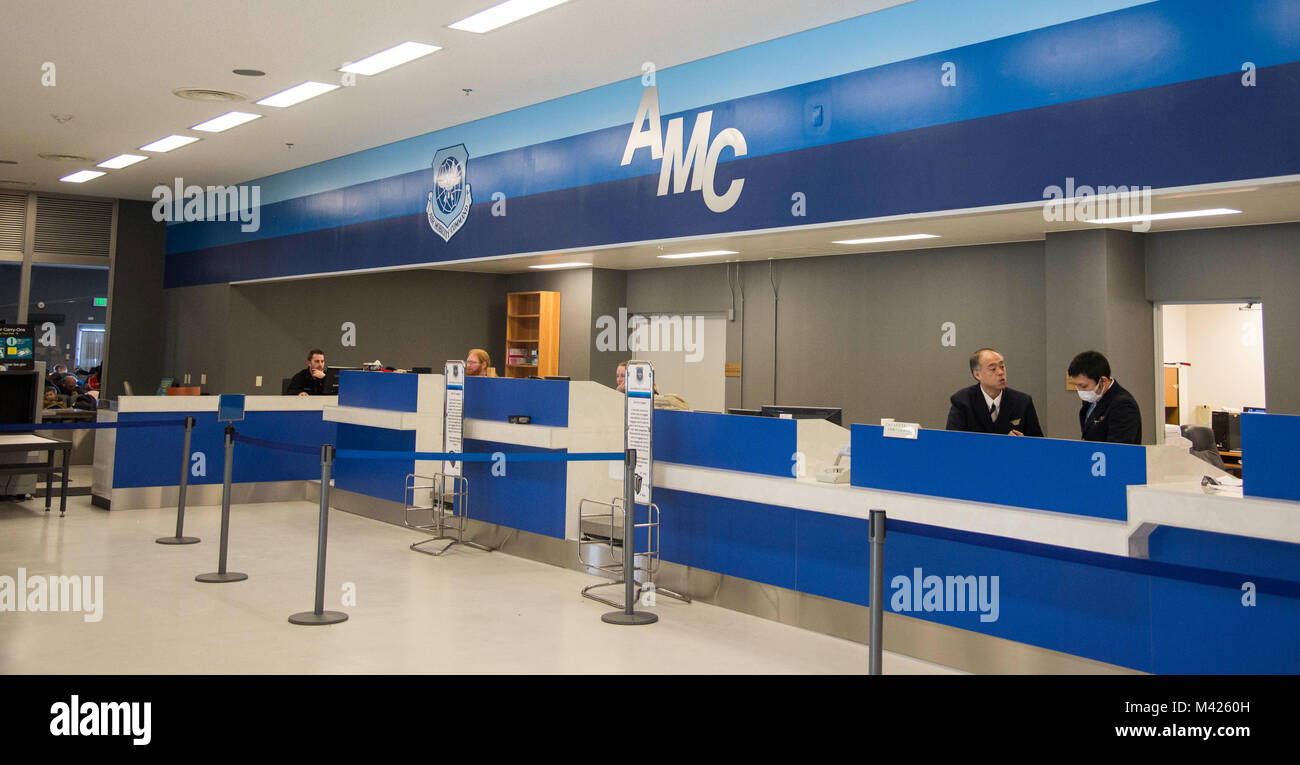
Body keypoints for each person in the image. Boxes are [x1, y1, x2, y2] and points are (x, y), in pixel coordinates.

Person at [945, 348, 1043, 437]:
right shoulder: (962, 401)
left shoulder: (1023, 402)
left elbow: (1039, 444)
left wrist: (1025, 442)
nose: (1000, 372)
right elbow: (953, 442)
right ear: (977, 374)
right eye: (993, 369)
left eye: (1002, 366)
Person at [1068, 350, 1141, 444]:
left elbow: (1119, 448)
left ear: (1103, 381)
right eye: (1076, 385)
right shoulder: (1091, 398)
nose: (1079, 390)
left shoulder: (1123, 405)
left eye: (1083, 386)